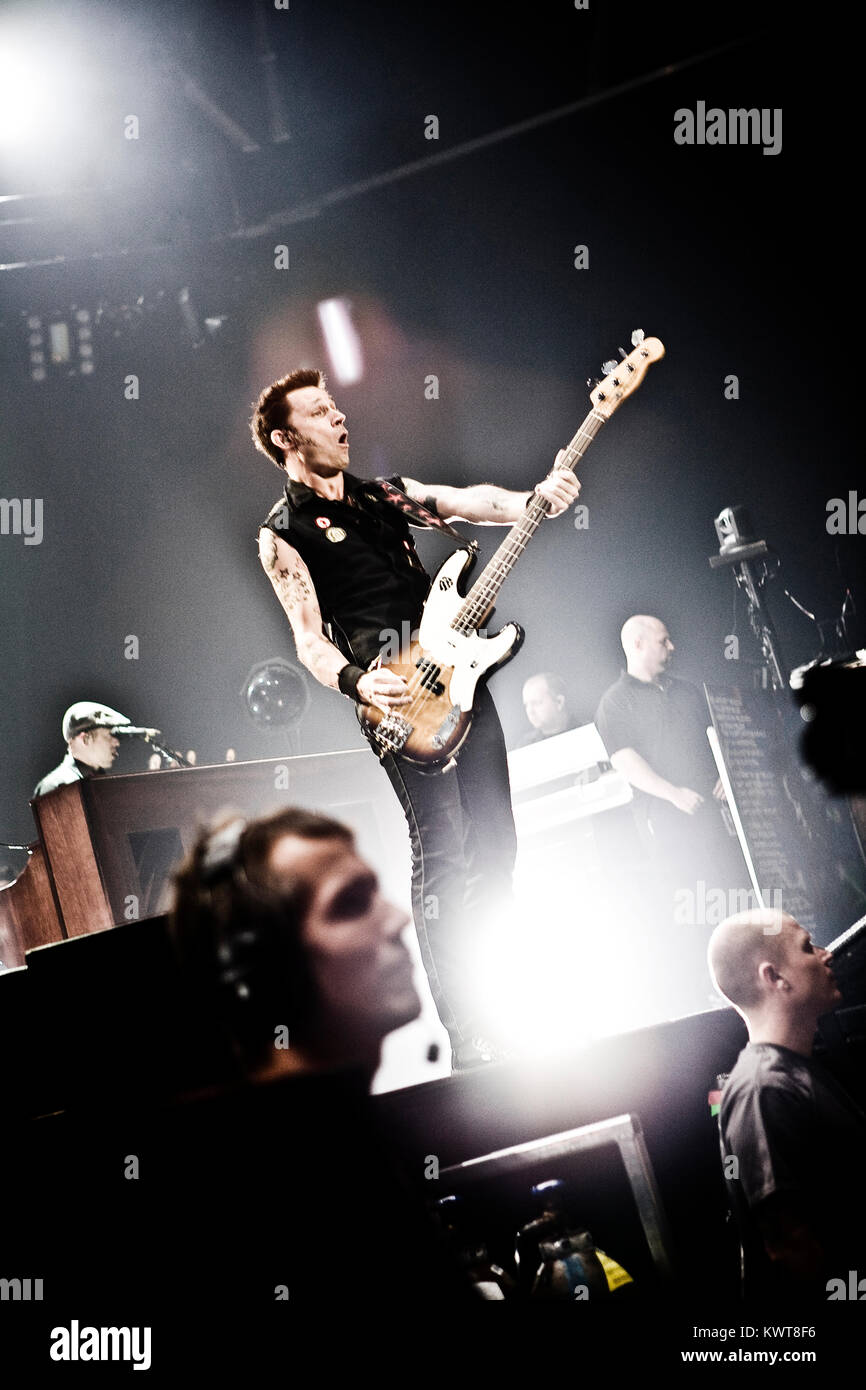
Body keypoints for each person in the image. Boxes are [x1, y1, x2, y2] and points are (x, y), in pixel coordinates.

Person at [250, 367, 580, 1068]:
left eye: (336, 406)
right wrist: (358, 683)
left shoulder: (385, 495)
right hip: (398, 699)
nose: (339, 418)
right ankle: (468, 1038)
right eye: (319, 411)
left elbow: (471, 501)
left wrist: (535, 499)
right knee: (447, 856)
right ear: (286, 437)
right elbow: (308, 640)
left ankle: (511, 1009)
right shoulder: (284, 534)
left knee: (497, 849)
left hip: (463, 679)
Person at [708, 908, 866, 1300]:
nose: (827, 954)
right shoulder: (764, 1089)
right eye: (809, 948)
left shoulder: (797, 1073)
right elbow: (792, 1250)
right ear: (774, 977)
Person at [32, 700, 126, 796]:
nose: (117, 743)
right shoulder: (56, 787)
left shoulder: (106, 785)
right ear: (86, 739)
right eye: (110, 735)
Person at [518, 672, 578, 745]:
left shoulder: (588, 730)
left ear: (559, 702)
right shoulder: (524, 744)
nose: (530, 711)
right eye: (526, 705)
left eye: (536, 703)